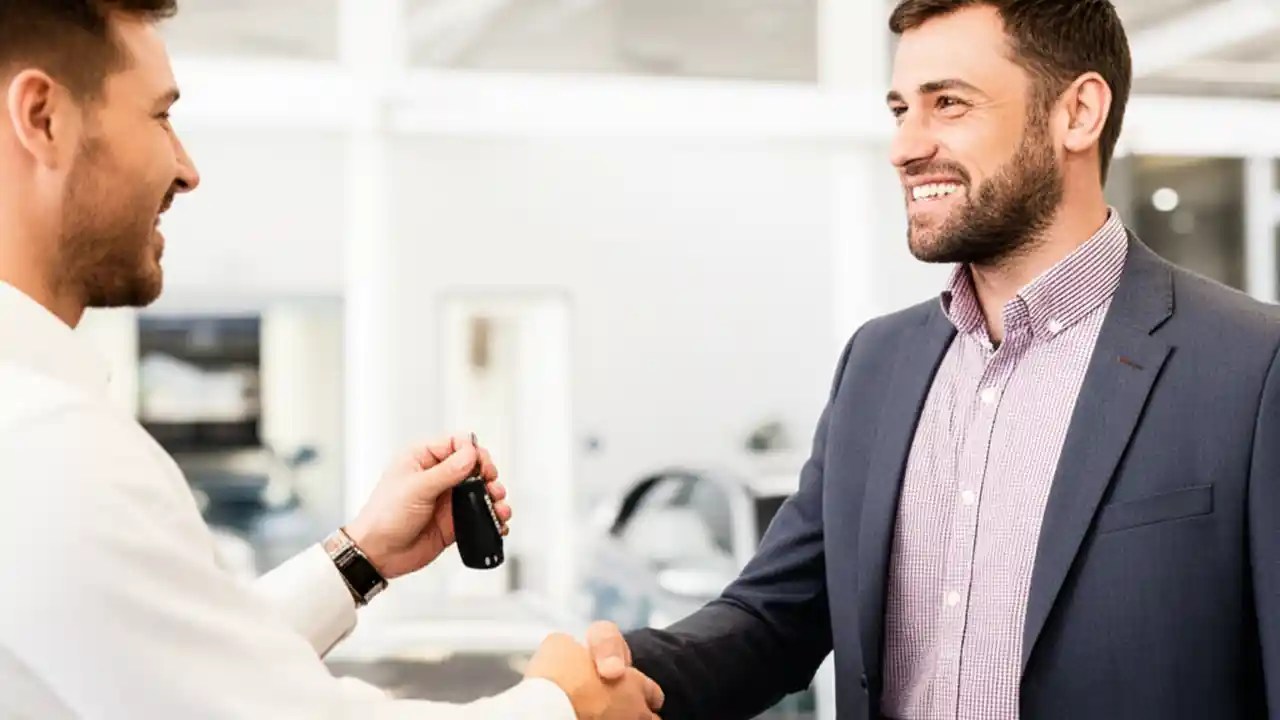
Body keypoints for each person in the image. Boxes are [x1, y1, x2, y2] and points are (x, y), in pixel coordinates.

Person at [584, 1, 1280, 718]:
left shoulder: (1252, 368)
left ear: (1078, 113)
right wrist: (624, 670)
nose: (905, 147)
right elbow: (776, 616)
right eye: (899, 110)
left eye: (948, 103)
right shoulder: (877, 366)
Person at [0, 2, 663, 719]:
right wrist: (563, 705)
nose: (186, 170)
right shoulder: (44, 442)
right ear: (43, 118)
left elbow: (175, 677)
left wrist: (360, 556)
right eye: (161, 116)